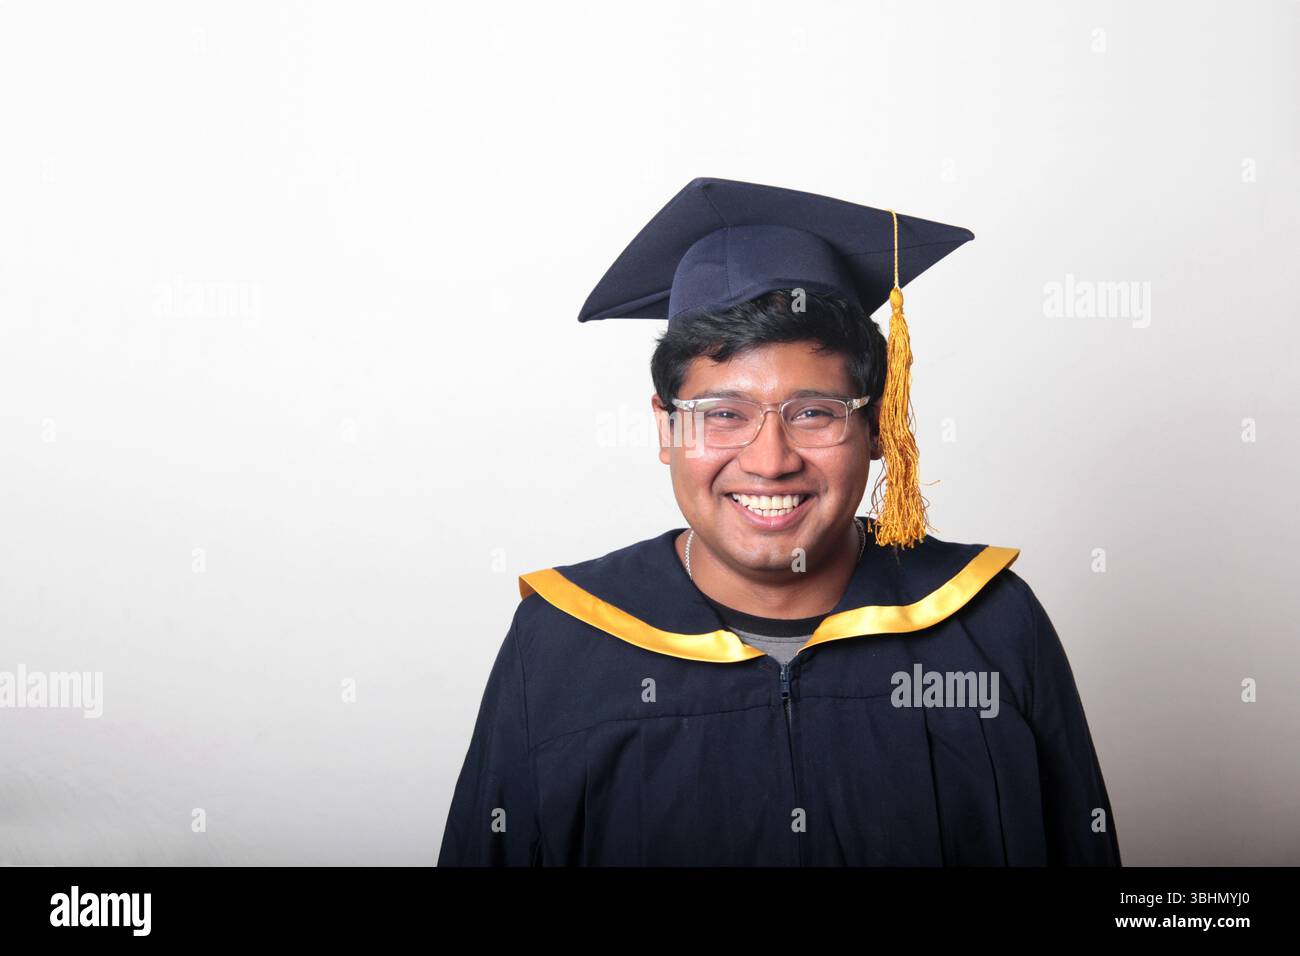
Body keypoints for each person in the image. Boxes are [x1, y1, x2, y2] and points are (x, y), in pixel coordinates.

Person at [436, 177, 1121, 866]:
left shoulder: (991, 626)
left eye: (814, 412)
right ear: (666, 429)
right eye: (723, 414)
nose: (769, 462)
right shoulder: (560, 644)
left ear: (879, 425)